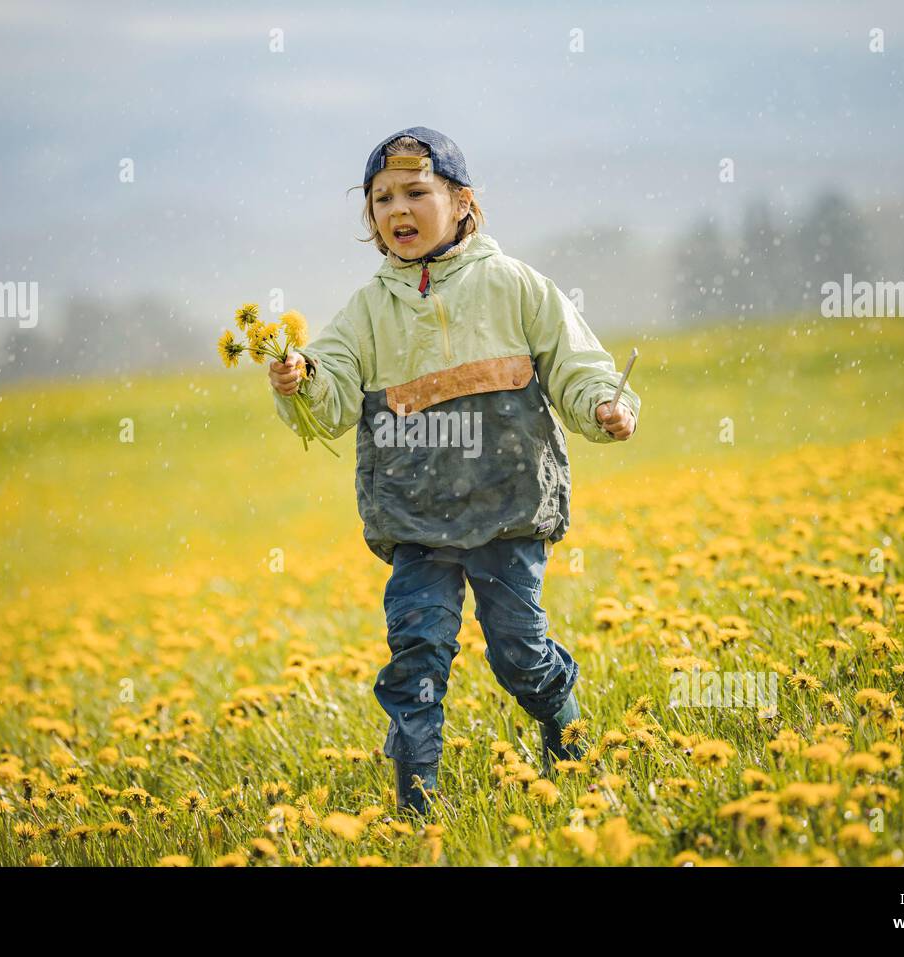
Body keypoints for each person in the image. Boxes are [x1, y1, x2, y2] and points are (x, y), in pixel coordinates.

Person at [267, 126, 639, 815]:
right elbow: (332, 394)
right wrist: (299, 380)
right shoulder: (367, 311)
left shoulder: (516, 285)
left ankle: (574, 747)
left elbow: (578, 365)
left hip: (508, 509)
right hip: (417, 521)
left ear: (463, 201)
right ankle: (418, 807)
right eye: (381, 199)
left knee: (519, 656)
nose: (397, 209)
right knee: (416, 660)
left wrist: (605, 407)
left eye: (416, 192)